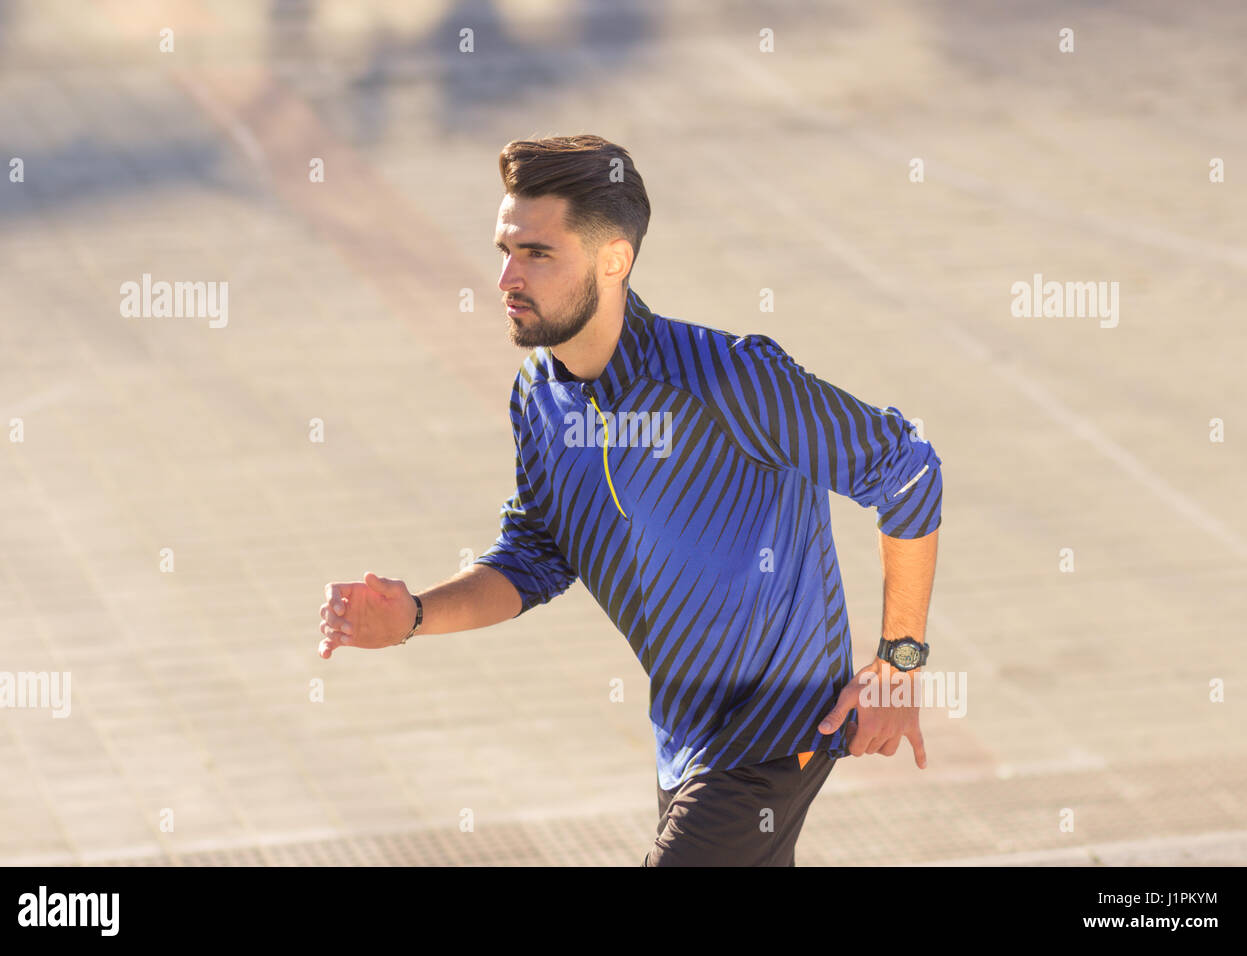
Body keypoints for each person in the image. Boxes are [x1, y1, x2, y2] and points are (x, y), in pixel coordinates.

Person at [319, 134, 942, 866]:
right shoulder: (539, 398)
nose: (506, 279)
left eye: (537, 254)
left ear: (613, 260)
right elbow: (537, 558)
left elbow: (906, 469)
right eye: (504, 251)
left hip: (780, 722)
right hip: (687, 739)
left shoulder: (725, 379)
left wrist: (897, 664)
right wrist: (415, 616)